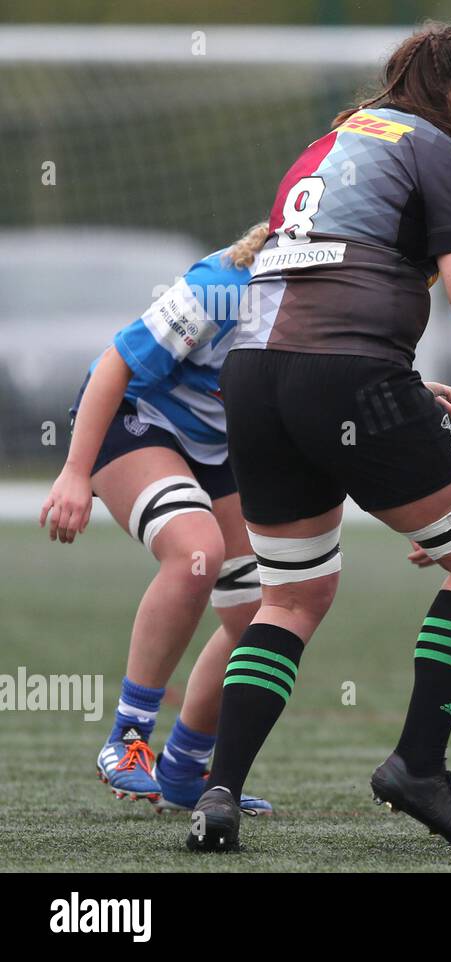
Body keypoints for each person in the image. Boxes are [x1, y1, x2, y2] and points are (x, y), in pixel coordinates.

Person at [185, 21, 451, 854]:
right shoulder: (441, 149)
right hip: (345, 376)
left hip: (256, 376)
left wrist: (387, 386)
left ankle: (219, 792)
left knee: (290, 597)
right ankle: (418, 766)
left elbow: (312, 277)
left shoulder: (329, 143)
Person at [40, 223, 275, 815]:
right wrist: (74, 471)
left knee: (262, 612)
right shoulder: (226, 283)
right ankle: (127, 739)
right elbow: (116, 360)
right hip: (135, 419)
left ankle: (183, 769)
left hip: (217, 449)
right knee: (196, 551)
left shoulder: (330, 298)